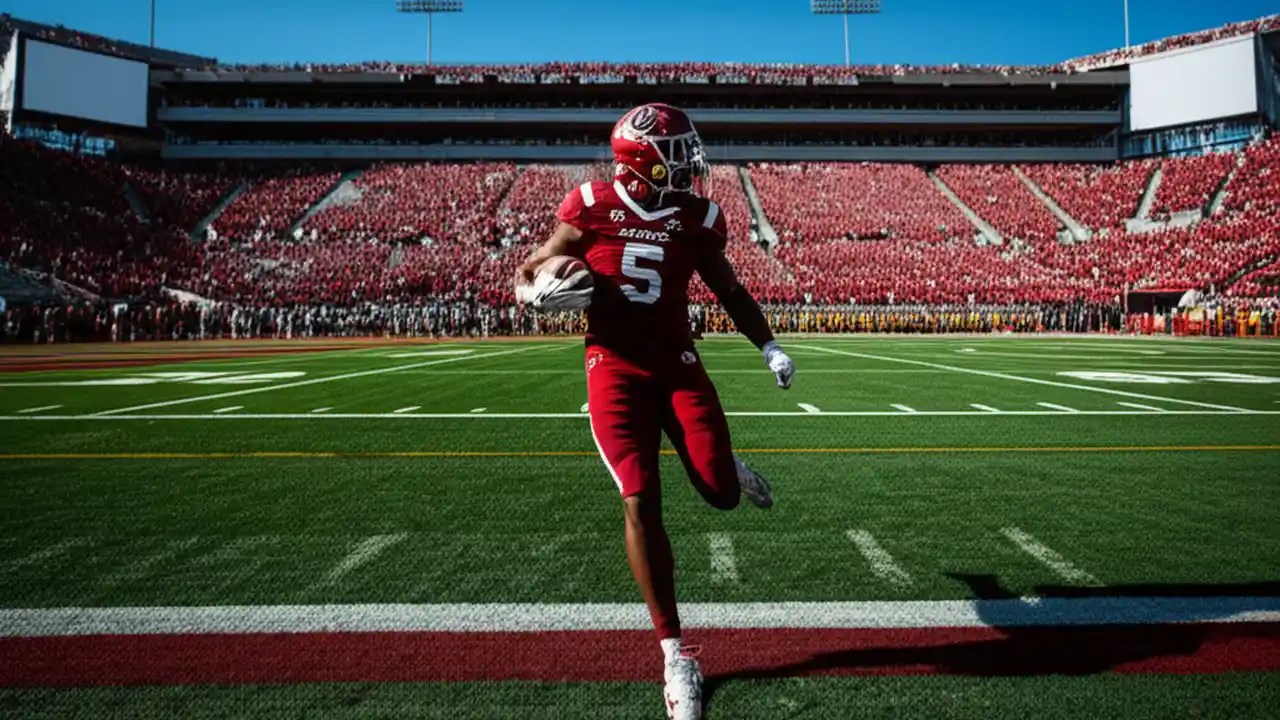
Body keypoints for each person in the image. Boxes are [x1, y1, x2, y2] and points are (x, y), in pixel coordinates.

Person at [516, 103, 795, 720]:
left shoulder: (696, 217)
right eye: (677, 153)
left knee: (720, 492)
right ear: (641, 161)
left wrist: (768, 345)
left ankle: (729, 467)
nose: (691, 163)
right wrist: (536, 287)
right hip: (613, 368)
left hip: (676, 363)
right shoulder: (589, 203)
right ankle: (675, 653)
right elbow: (532, 266)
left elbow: (730, 289)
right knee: (639, 498)